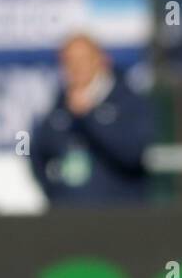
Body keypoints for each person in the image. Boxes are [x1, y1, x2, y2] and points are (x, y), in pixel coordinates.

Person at [30, 33, 152, 206]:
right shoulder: (59, 105)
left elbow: (132, 153)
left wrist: (89, 116)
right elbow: (37, 153)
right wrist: (56, 194)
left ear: (102, 61)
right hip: (69, 216)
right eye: (69, 61)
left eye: (83, 60)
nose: (76, 67)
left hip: (119, 214)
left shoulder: (128, 100)